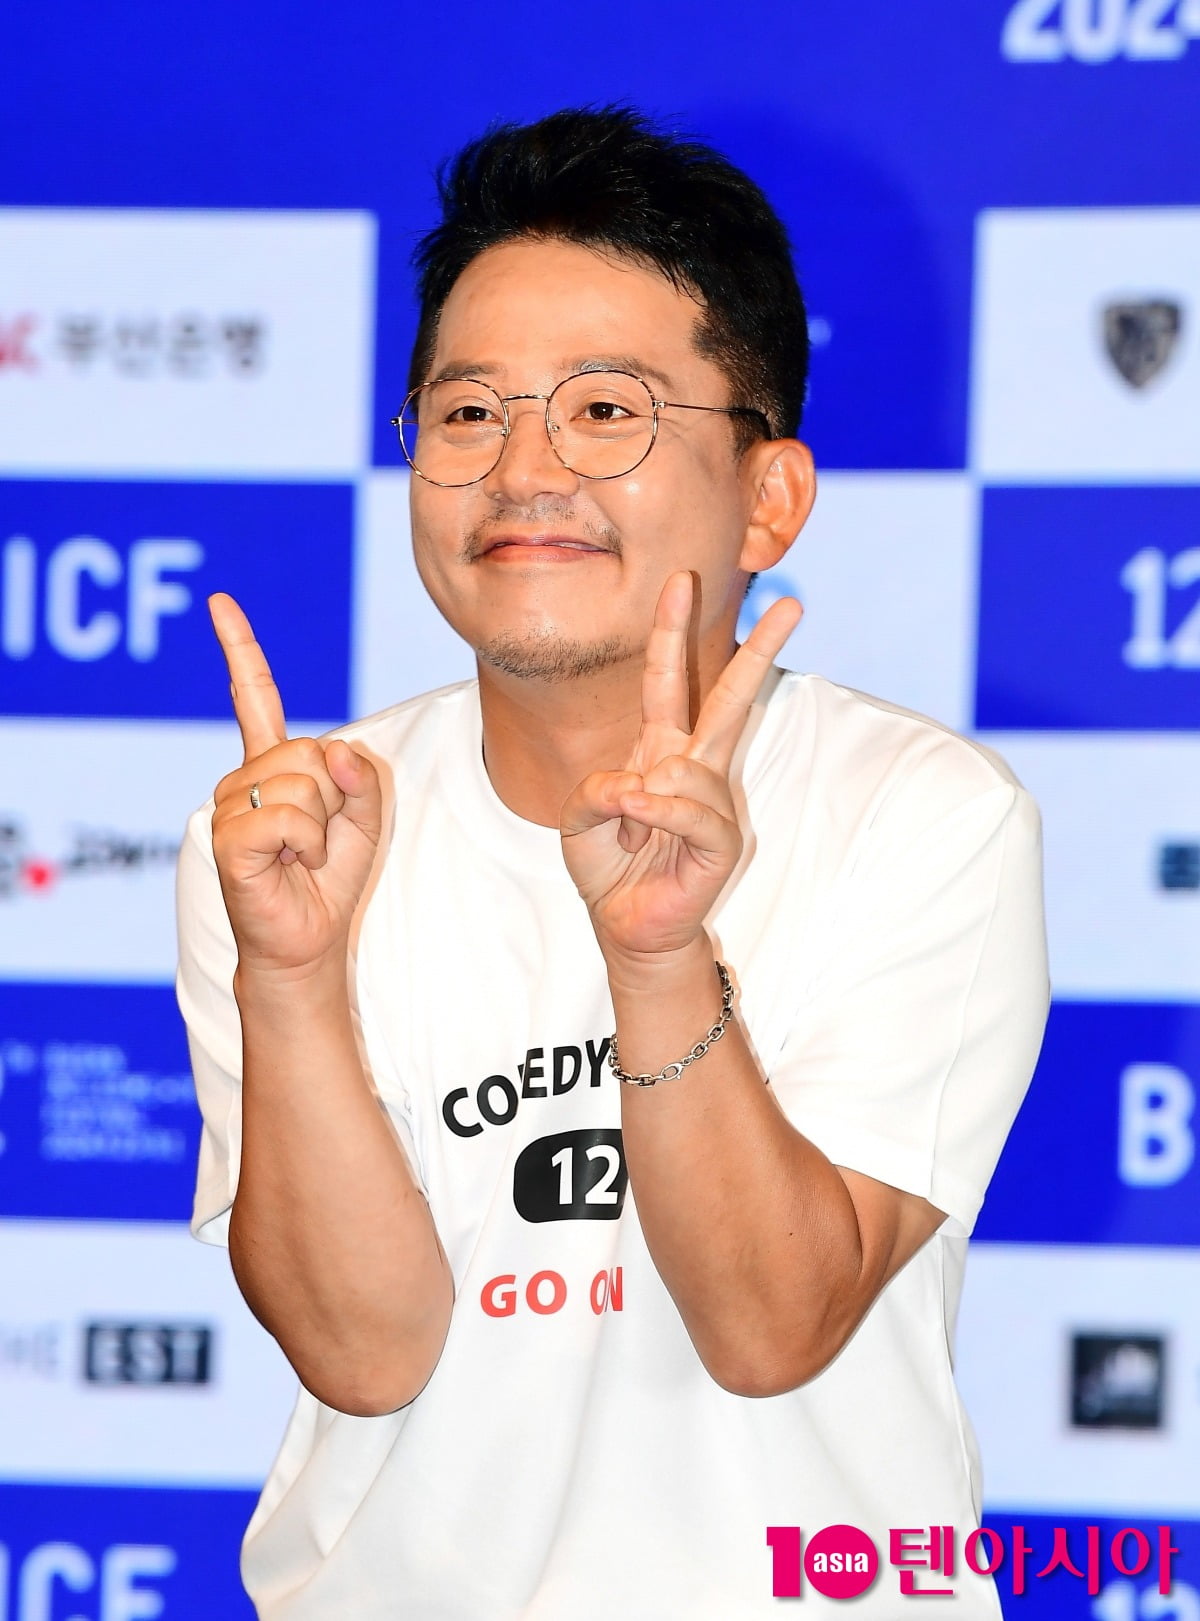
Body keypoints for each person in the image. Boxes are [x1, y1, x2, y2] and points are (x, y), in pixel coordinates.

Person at [177, 106, 1049, 1619]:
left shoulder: (919, 812)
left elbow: (772, 1328)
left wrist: (657, 959)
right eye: (468, 412)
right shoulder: (290, 837)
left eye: (605, 410)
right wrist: (296, 976)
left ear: (769, 497)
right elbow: (365, 1352)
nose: (525, 469)